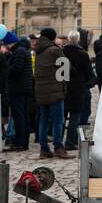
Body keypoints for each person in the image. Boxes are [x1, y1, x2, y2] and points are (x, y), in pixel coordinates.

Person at [33, 27, 69, 159]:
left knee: (43, 120)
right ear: (52, 37)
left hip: (41, 91)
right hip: (54, 91)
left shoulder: (38, 51)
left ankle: (44, 149)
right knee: (58, 121)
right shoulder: (54, 50)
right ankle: (58, 147)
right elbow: (66, 68)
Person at [62, 31, 96, 150]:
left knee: (62, 117)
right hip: (77, 89)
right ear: (78, 40)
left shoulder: (62, 52)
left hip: (63, 88)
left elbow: (59, 73)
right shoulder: (82, 54)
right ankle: (70, 142)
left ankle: (59, 142)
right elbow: (89, 73)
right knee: (75, 117)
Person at [4, 32, 35, 151]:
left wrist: (5, 70)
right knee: (23, 115)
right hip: (23, 87)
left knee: (19, 116)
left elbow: (16, 69)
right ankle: (23, 142)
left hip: (18, 88)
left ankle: (20, 142)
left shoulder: (19, 51)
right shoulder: (21, 51)